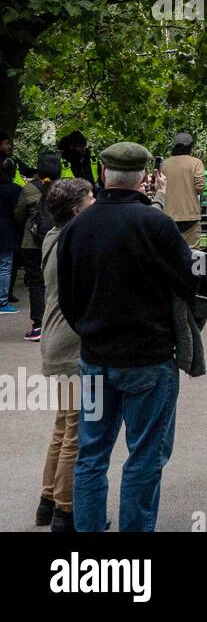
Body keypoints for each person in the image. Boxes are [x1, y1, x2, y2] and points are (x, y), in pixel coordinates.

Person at [59, 142, 201, 531]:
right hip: (148, 356)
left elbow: (67, 298)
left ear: (104, 174)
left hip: (96, 356)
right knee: (144, 456)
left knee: (91, 453)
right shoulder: (156, 224)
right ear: (144, 178)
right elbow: (189, 281)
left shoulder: (77, 227)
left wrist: (90, 329)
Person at [33, 178, 95, 531]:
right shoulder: (73, 241)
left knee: (64, 425)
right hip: (70, 345)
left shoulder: (54, 235)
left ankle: (48, 500)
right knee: (76, 430)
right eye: (90, 199)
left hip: (55, 341)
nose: (95, 202)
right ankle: (65, 511)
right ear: (76, 210)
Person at [15, 152, 61, 340]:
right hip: (58, 240)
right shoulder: (65, 189)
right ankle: (59, 325)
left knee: (36, 283)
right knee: (59, 282)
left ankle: (39, 325)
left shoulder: (28, 189)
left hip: (32, 242)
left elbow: (19, 213)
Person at [159, 132, 206, 247]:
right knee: (193, 255)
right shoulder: (196, 163)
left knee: (170, 253)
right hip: (190, 215)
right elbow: (200, 187)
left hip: (168, 215)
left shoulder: (164, 164)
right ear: (191, 146)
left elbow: (157, 186)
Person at [0, 158, 20, 316]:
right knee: (5, 267)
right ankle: (2, 301)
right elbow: (19, 213)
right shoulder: (15, 189)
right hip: (7, 231)